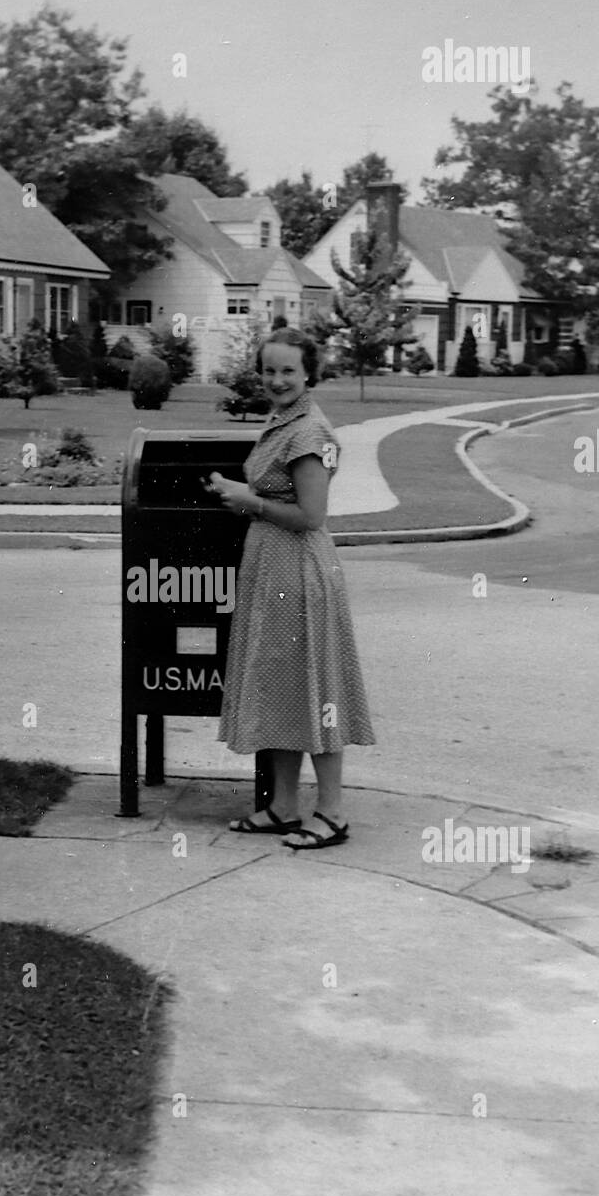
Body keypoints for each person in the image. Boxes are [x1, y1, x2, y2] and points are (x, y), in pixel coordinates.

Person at [204, 327, 375, 849]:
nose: (277, 380)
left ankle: (331, 812)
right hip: (272, 570)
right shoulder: (283, 421)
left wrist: (247, 499)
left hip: (299, 572)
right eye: (269, 370)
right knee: (282, 685)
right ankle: (282, 806)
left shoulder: (311, 433)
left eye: (287, 371)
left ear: (308, 374)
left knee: (315, 687)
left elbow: (311, 515)